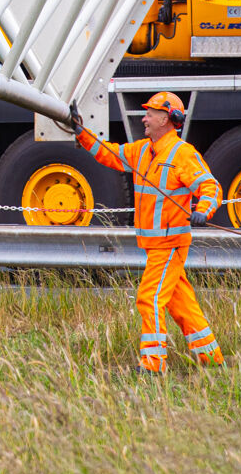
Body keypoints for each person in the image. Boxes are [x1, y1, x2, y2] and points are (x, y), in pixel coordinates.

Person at [74, 92, 225, 372]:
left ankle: (153, 364)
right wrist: (82, 133)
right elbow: (108, 153)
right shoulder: (142, 150)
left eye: (150, 114)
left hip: (170, 244)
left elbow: (210, 187)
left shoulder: (183, 154)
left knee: (149, 298)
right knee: (181, 305)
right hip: (155, 244)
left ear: (165, 119)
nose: (144, 118)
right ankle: (211, 357)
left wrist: (204, 210)